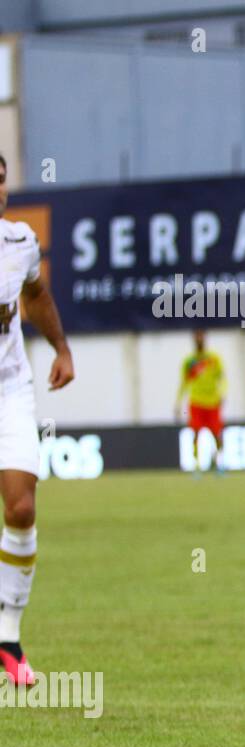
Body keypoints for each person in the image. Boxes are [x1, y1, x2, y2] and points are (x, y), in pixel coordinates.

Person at [0, 152, 76, 685]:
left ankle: (8, 637)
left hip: (10, 390)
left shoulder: (19, 243)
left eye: (1, 182)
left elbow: (36, 295)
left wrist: (62, 350)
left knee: (22, 506)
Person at [175, 329, 227, 474]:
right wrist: (178, 403)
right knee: (196, 433)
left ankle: (219, 463)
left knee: (217, 435)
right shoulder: (189, 361)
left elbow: (222, 378)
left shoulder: (214, 359)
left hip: (212, 402)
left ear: (204, 339)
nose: (199, 340)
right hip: (196, 402)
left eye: (201, 337)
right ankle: (197, 465)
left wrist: (222, 393)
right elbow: (183, 383)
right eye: (197, 337)